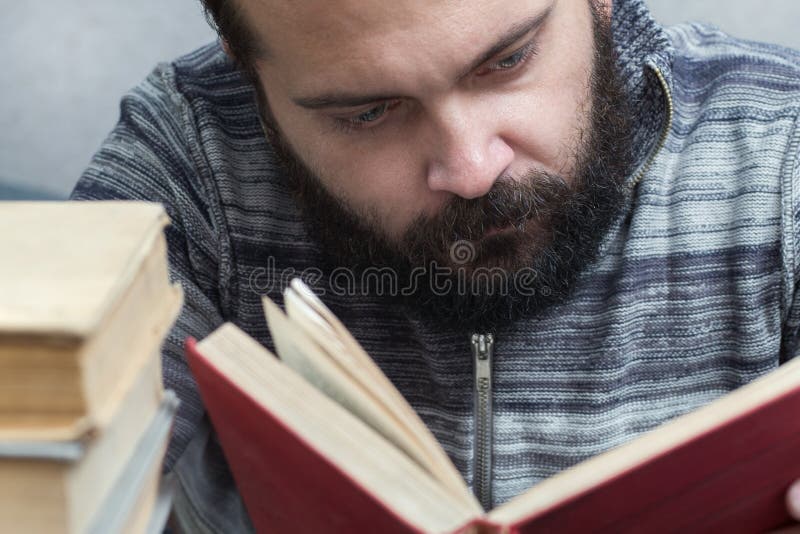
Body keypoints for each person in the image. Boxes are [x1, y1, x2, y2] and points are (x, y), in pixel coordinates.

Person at [71, 0, 800, 530]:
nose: (472, 170)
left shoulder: (782, 150)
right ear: (249, 70)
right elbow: (57, 454)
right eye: (367, 114)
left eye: (509, 60)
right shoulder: (189, 158)